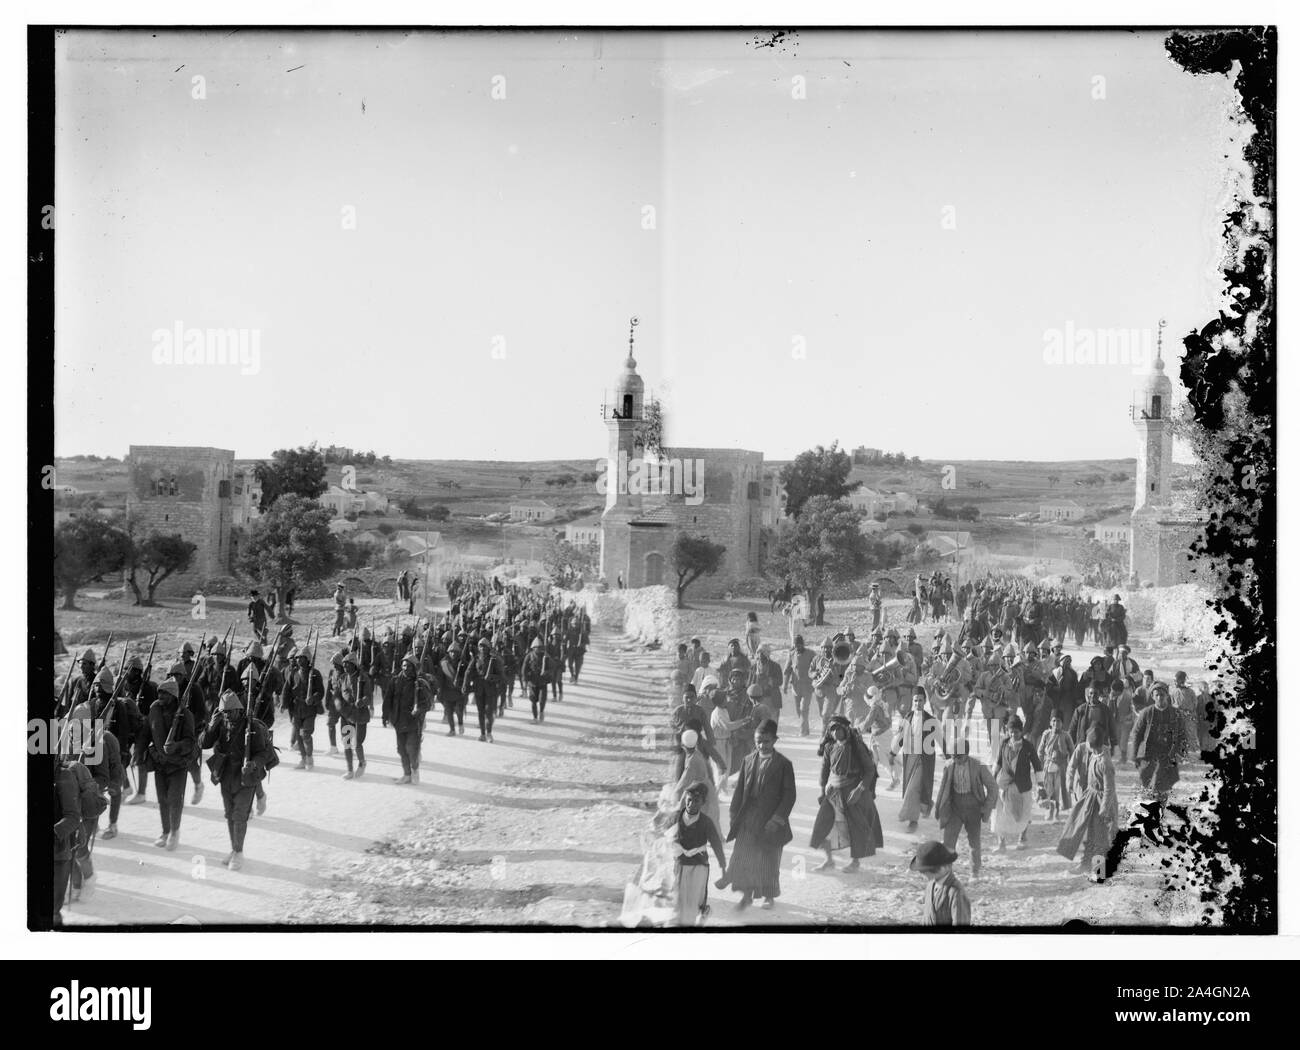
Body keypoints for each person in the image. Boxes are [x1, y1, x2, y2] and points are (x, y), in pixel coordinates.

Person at [716, 720, 796, 911]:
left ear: (775, 740)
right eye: (759, 741)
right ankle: (746, 894)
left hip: (771, 821)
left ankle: (769, 896)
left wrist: (776, 820)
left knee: (768, 859)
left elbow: (789, 796)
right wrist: (735, 815)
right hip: (749, 818)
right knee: (744, 855)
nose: (762, 745)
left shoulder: (784, 764)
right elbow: (740, 791)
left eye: (766, 741)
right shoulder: (748, 760)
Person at [201, 690, 272, 870]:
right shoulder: (220, 724)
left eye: (230, 712)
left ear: (239, 710)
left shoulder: (252, 727)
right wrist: (210, 726)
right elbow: (203, 744)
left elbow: (263, 752)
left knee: (240, 815)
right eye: (224, 712)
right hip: (226, 775)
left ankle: (239, 852)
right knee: (229, 814)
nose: (227, 715)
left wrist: (254, 764)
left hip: (246, 777)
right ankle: (234, 849)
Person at [809, 717, 883, 872]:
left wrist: (859, 790)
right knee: (823, 824)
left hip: (853, 791)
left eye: (839, 729)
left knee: (854, 827)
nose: (836, 732)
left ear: (846, 729)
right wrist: (822, 790)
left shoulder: (857, 747)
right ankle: (829, 860)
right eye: (832, 729)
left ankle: (855, 862)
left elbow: (870, 770)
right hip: (834, 791)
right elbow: (824, 771)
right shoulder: (829, 747)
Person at [1057, 726, 1119, 879]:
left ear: (1095, 745)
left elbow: (1109, 789)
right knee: (1089, 833)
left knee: (1100, 837)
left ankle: (1099, 870)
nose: (1086, 746)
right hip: (1090, 799)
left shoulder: (1105, 762)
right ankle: (1085, 863)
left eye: (1089, 743)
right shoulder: (1094, 755)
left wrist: (1104, 810)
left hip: (1102, 803)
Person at [666, 781, 727, 927]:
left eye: (697, 801)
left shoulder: (706, 822)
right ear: (685, 798)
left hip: (699, 865)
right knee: (679, 898)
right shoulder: (675, 817)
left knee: (694, 899)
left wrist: (723, 866)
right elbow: (665, 835)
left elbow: (716, 844)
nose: (692, 804)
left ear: (703, 803)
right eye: (689, 799)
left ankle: (699, 915)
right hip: (680, 864)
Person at [935, 748, 998, 878]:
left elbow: (993, 787)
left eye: (959, 757)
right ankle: (947, 872)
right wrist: (939, 807)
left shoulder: (978, 765)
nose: (956, 760)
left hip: (973, 806)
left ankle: (974, 872)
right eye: (954, 757)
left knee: (974, 841)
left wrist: (986, 807)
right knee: (948, 840)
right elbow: (943, 788)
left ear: (966, 755)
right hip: (955, 806)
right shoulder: (949, 765)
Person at [148, 678, 195, 850]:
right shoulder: (154, 710)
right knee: (162, 800)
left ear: (174, 696)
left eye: (165, 693)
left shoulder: (185, 715)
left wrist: (177, 746)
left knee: (175, 799)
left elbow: (191, 742)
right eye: (159, 692)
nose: (160, 696)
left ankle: (175, 832)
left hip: (177, 765)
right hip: (160, 763)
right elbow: (148, 732)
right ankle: (165, 831)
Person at [991, 715, 1042, 852]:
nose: (1014, 734)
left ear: (1021, 731)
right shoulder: (1004, 743)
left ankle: (1023, 839)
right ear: (1008, 731)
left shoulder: (1028, 746)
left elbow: (1037, 765)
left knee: (1024, 814)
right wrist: (993, 776)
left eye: (1017, 732)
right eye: (1011, 731)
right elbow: (998, 762)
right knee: (1000, 814)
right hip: (1005, 785)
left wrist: (1040, 784)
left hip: (1023, 786)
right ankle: (1001, 843)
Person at [1130, 682, 1186, 799]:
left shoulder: (1175, 713)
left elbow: (1182, 734)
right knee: (1147, 780)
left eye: (1162, 694)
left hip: (1167, 753)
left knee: (1161, 783)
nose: (1160, 697)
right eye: (1157, 695)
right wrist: (1134, 754)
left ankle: (1159, 805)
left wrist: (1181, 751)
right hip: (1149, 753)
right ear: (1152, 697)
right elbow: (1137, 733)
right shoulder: (1147, 712)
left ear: (1167, 695)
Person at [384, 653, 432, 783]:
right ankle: (407, 774)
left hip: (413, 722)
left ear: (414, 668)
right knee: (401, 749)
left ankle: (415, 769)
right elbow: (388, 699)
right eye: (404, 665)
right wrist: (385, 715)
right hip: (398, 720)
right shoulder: (395, 681)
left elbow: (427, 703)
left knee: (411, 748)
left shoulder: (420, 683)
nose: (406, 669)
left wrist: (419, 710)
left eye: (409, 666)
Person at [896, 686, 937, 832]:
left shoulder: (931, 720)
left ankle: (912, 820)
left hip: (924, 759)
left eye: (920, 700)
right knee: (912, 787)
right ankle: (926, 804)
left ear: (925, 701)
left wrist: (950, 756)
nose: (917, 703)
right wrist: (892, 753)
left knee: (913, 788)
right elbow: (900, 737)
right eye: (915, 700)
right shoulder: (907, 717)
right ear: (912, 701)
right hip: (909, 757)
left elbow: (940, 738)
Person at [281, 646, 325, 770]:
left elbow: (321, 692)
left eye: (302, 657)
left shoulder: (315, 674)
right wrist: (284, 704)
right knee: (299, 736)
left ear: (308, 659)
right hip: (296, 708)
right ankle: (303, 758)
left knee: (305, 734)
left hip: (309, 709)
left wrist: (313, 698)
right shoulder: (293, 673)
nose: (299, 660)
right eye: (298, 657)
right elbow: (287, 689)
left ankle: (309, 757)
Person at [910, 840, 971, 925]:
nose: (923, 875)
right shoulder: (931, 884)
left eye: (924, 871)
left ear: (942, 868)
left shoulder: (956, 893)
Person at [1036, 711, 1074, 822]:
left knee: (1058, 791)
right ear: (1050, 722)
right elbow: (1040, 750)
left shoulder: (1066, 736)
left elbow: (1072, 751)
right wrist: (1040, 764)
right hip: (1048, 766)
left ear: (1062, 723)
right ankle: (1050, 810)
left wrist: (1071, 765)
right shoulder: (1046, 734)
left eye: (1058, 721)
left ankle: (1056, 812)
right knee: (1049, 790)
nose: (1056, 723)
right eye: (1053, 721)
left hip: (1061, 767)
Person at [783, 635, 816, 736]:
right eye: (796, 645)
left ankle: (803, 731)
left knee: (803, 709)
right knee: (798, 711)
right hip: (796, 688)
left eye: (799, 644)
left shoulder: (811, 654)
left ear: (803, 644)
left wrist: (816, 680)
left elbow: (817, 667)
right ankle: (806, 728)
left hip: (807, 687)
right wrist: (785, 685)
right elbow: (787, 671)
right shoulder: (792, 654)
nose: (798, 647)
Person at [520, 636, 551, 723]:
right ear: (533, 648)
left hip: (542, 681)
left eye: (539, 647)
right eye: (536, 647)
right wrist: (525, 679)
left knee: (542, 699)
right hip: (532, 681)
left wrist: (546, 672)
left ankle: (541, 711)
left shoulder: (545, 656)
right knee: (533, 700)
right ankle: (535, 717)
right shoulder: (529, 656)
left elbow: (551, 667)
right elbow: (524, 669)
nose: (537, 649)